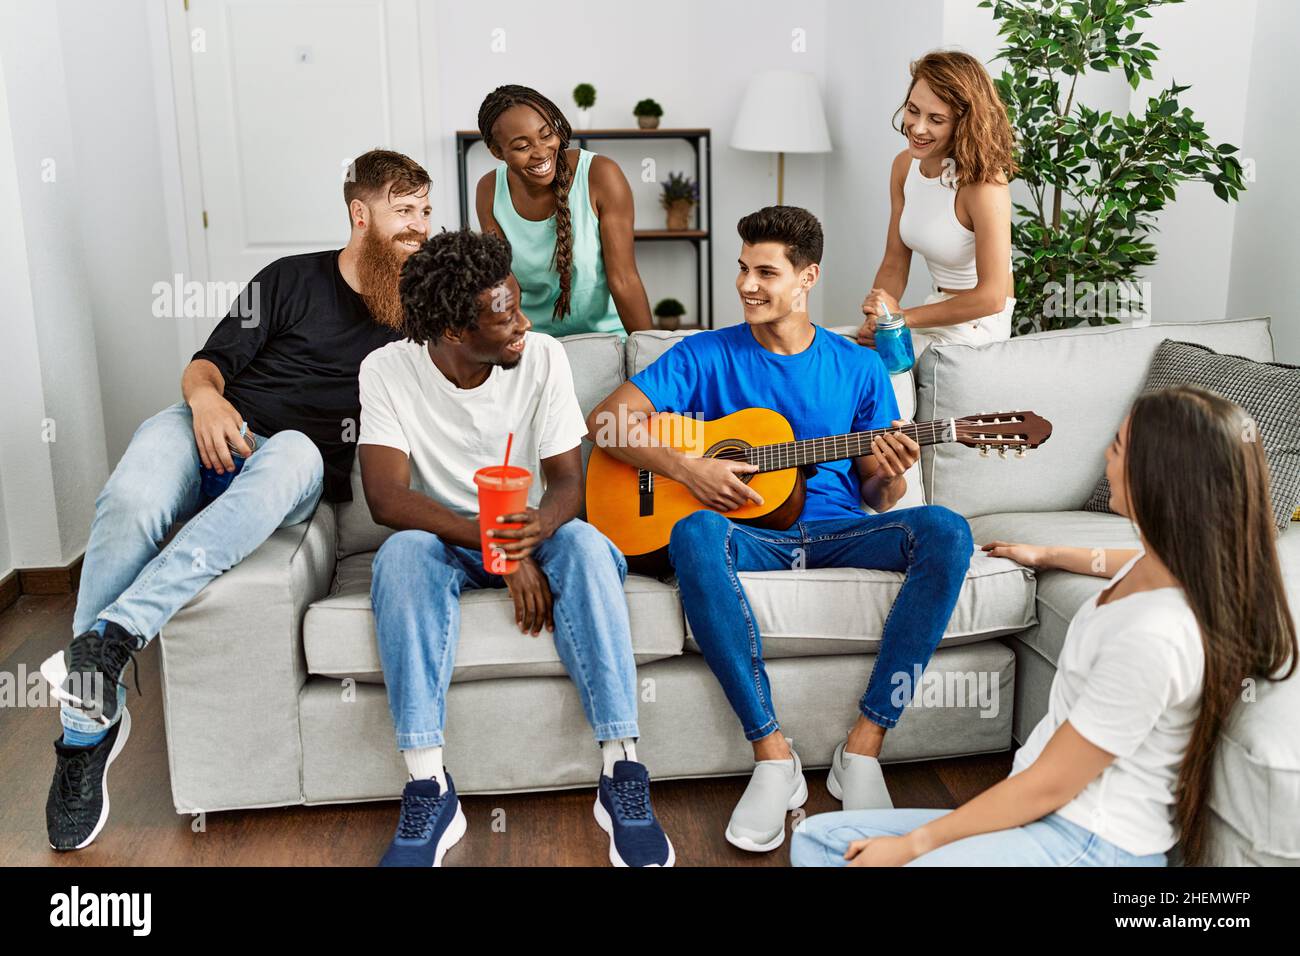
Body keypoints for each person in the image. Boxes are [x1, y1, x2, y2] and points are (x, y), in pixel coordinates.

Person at [40, 148, 432, 852]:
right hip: (211, 426)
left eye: (426, 211)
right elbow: (206, 364)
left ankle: (110, 639)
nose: (419, 227)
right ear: (360, 214)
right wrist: (205, 403)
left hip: (289, 458)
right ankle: (86, 733)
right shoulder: (288, 279)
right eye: (404, 211)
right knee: (129, 500)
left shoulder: (418, 316)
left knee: (296, 454)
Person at [587, 206, 974, 854]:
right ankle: (773, 755)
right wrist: (688, 467)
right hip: (753, 540)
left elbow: (881, 493)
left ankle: (866, 747)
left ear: (807, 277)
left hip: (840, 531)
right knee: (695, 534)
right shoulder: (705, 354)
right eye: (742, 268)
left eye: (765, 271)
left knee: (947, 530)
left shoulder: (858, 367)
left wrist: (890, 474)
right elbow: (607, 424)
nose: (745, 284)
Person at [792, 385, 1298, 866]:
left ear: (1157, 477)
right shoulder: (1170, 564)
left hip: (1089, 841)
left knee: (832, 847)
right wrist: (1045, 553)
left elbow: (1051, 785)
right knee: (822, 835)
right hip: (1061, 823)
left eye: (1118, 447)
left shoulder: (1154, 635)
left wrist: (911, 847)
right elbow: (1112, 559)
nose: (1105, 457)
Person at [358, 228, 673, 867]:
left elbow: (567, 485)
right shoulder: (386, 371)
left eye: (518, 303)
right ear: (452, 331)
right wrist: (500, 554)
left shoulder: (544, 357)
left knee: (585, 545)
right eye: (504, 317)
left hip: (538, 528)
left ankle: (622, 774)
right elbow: (387, 500)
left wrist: (526, 542)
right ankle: (428, 785)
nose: (523, 324)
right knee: (399, 555)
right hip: (447, 538)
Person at [856, 50, 1017, 355]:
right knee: (839, 350)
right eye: (913, 110)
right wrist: (876, 316)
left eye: (936, 119)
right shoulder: (904, 167)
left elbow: (992, 297)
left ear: (963, 123)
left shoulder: (985, 187)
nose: (917, 128)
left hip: (979, 325)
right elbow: (894, 263)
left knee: (870, 370)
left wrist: (900, 319)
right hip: (933, 312)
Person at [475, 84, 653, 339]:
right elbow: (504, 284)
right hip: (534, 344)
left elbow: (623, 279)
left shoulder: (601, 175)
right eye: (522, 146)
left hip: (607, 340)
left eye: (546, 135)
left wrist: (653, 358)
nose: (541, 152)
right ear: (496, 152)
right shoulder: (489, 191)